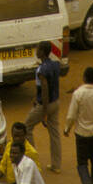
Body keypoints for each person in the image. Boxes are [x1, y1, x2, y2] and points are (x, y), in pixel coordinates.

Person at [24, 41, 62, 173]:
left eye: (38, 49)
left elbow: (44, 89)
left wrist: (44, 111)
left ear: (42, 52)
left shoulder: (41, 70)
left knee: (26, 127)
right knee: (54, 133)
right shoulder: (55, 65)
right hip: (56, 102)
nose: (36, 51)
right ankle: (56, 165)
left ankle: (33, 162)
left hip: (45, 104)